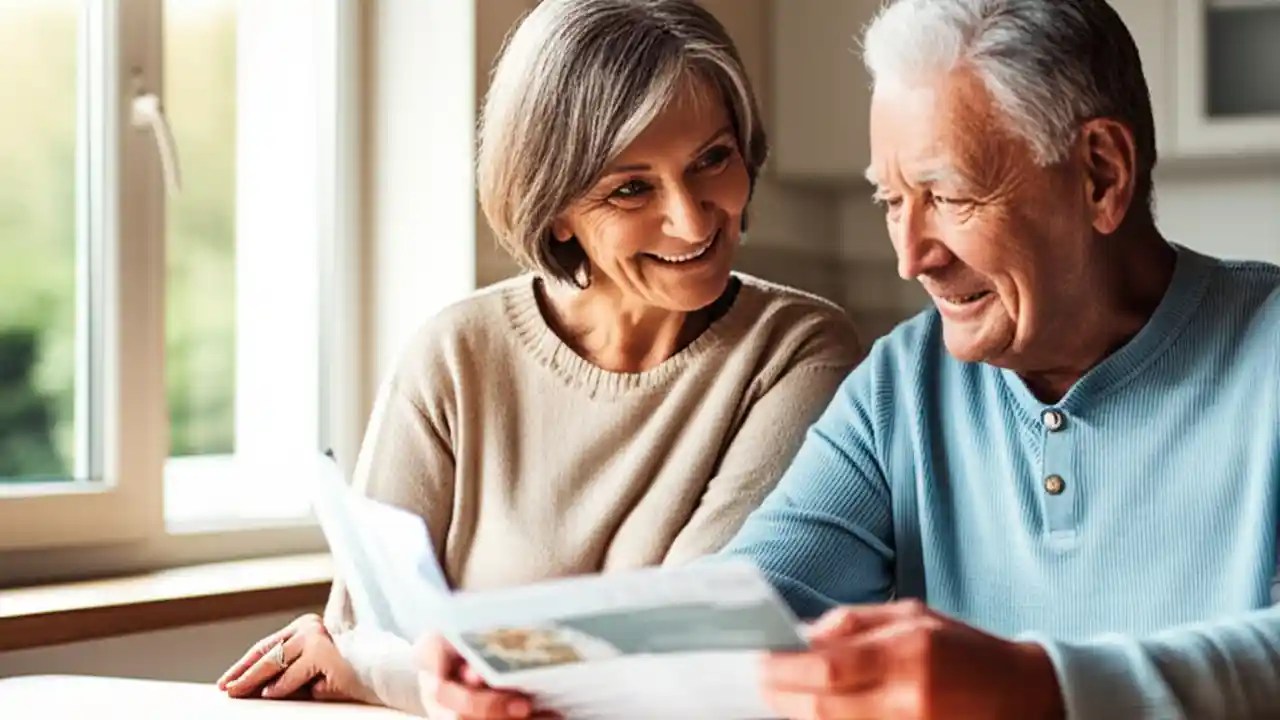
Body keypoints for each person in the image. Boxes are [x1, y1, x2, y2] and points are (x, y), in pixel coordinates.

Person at [216, 0, 863, 716]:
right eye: (631, 187)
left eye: (712, 159)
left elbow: (688, 650)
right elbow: (355, 634)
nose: (691, 216)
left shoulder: (801, 352)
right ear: (555, 208)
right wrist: (399, 668)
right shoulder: (454, 355)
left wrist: (416, 676)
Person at [716, 1, 1280, 718]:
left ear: (1101, 175)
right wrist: (565, 685)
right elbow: (741, 613)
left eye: (948, 196)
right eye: (893, 201)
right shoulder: (901, 386)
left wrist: (1037, 685)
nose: (910, 257)